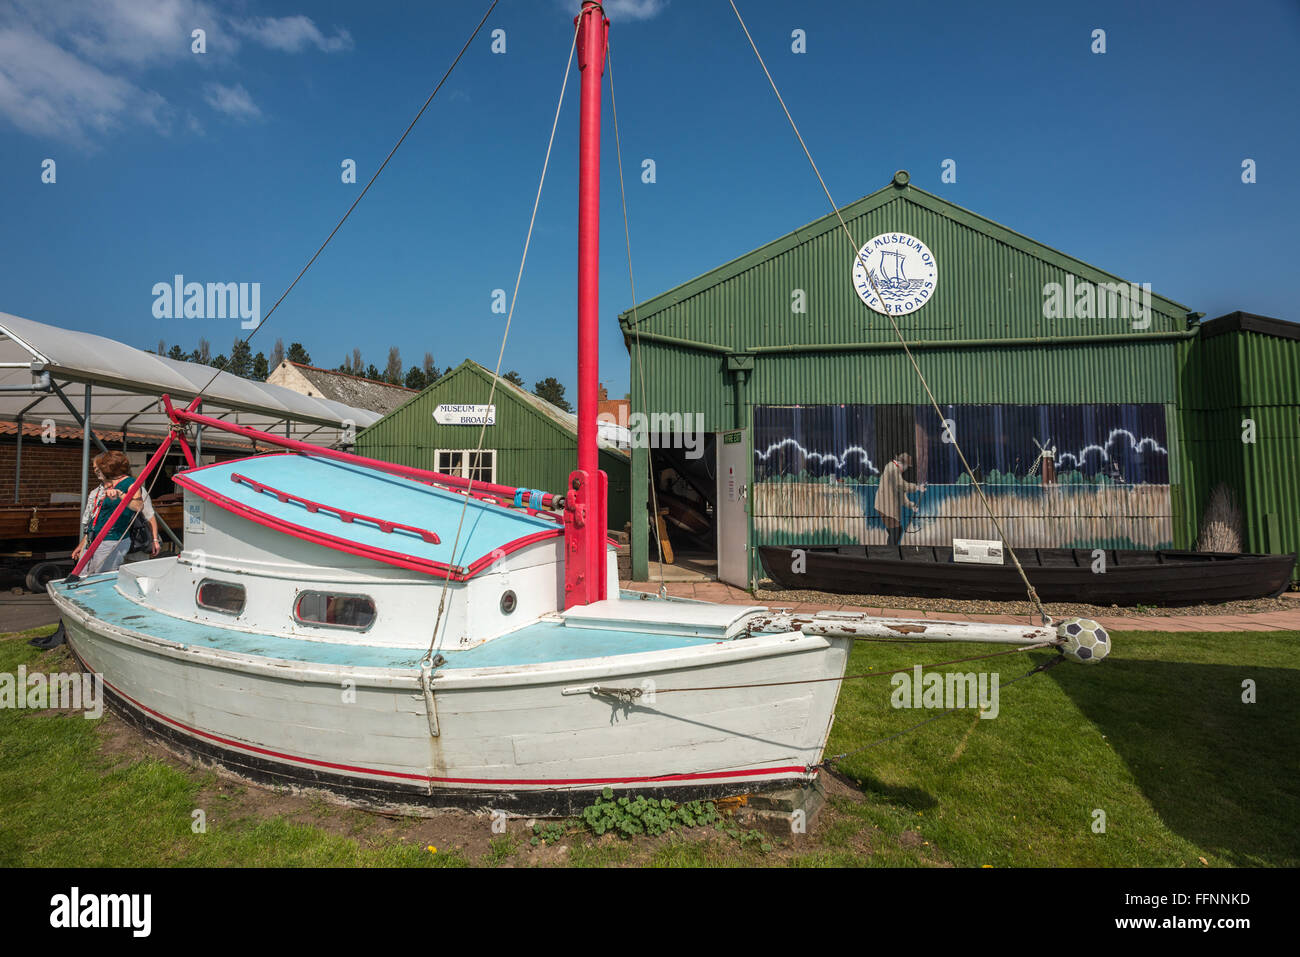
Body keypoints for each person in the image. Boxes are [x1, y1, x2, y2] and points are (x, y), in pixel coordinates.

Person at [72, 451, 144, 575]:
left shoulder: (129, 483)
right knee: (81, 575)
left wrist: (120, 495)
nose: (96, 471)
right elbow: (97, 518)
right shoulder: (106, 486)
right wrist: (82, 544)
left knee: (99, 577)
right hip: (94, 539)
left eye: (98, 467)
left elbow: (138, 506)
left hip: (111, 539)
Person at [876, 451, 926, 547]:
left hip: (886, 507)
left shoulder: (894, 470)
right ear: (902, 463)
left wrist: (911, 505)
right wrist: (917, 487)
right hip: (885, 507)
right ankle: (889, 554)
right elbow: (900, 485)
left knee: (895, 531)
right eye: (907, 466)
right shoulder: (893, 469)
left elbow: (900, 495)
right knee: (895, 531)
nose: (906, 469)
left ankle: (890, 552)